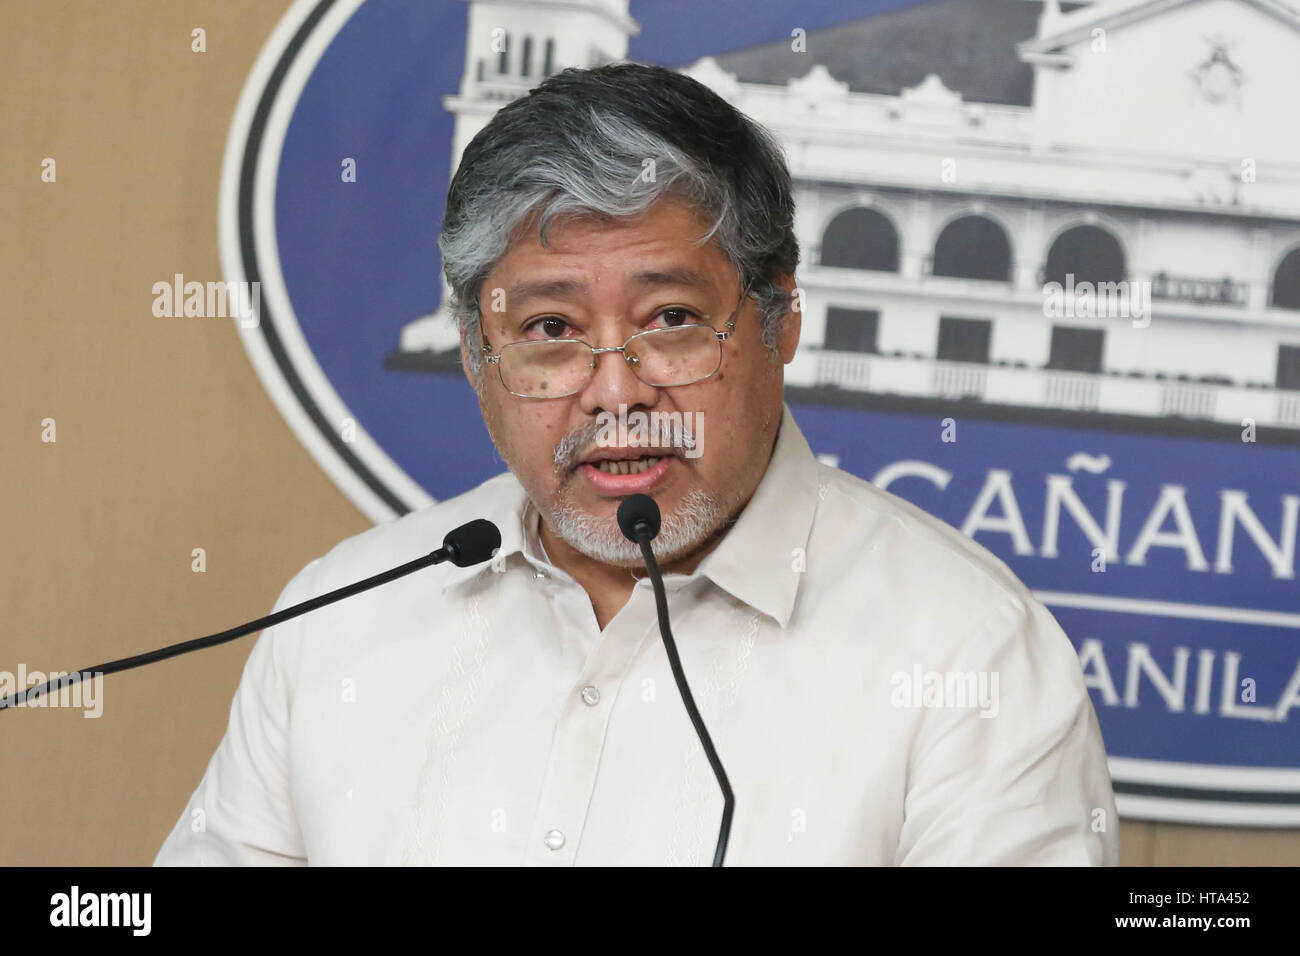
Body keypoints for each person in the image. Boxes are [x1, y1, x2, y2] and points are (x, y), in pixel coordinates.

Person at [155, 62, 1117, 866]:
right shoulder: (342, 620)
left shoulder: (969, 655)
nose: (616, 393)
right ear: (475, 358)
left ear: (779, 322)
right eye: (549, 329)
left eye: (670, 320)